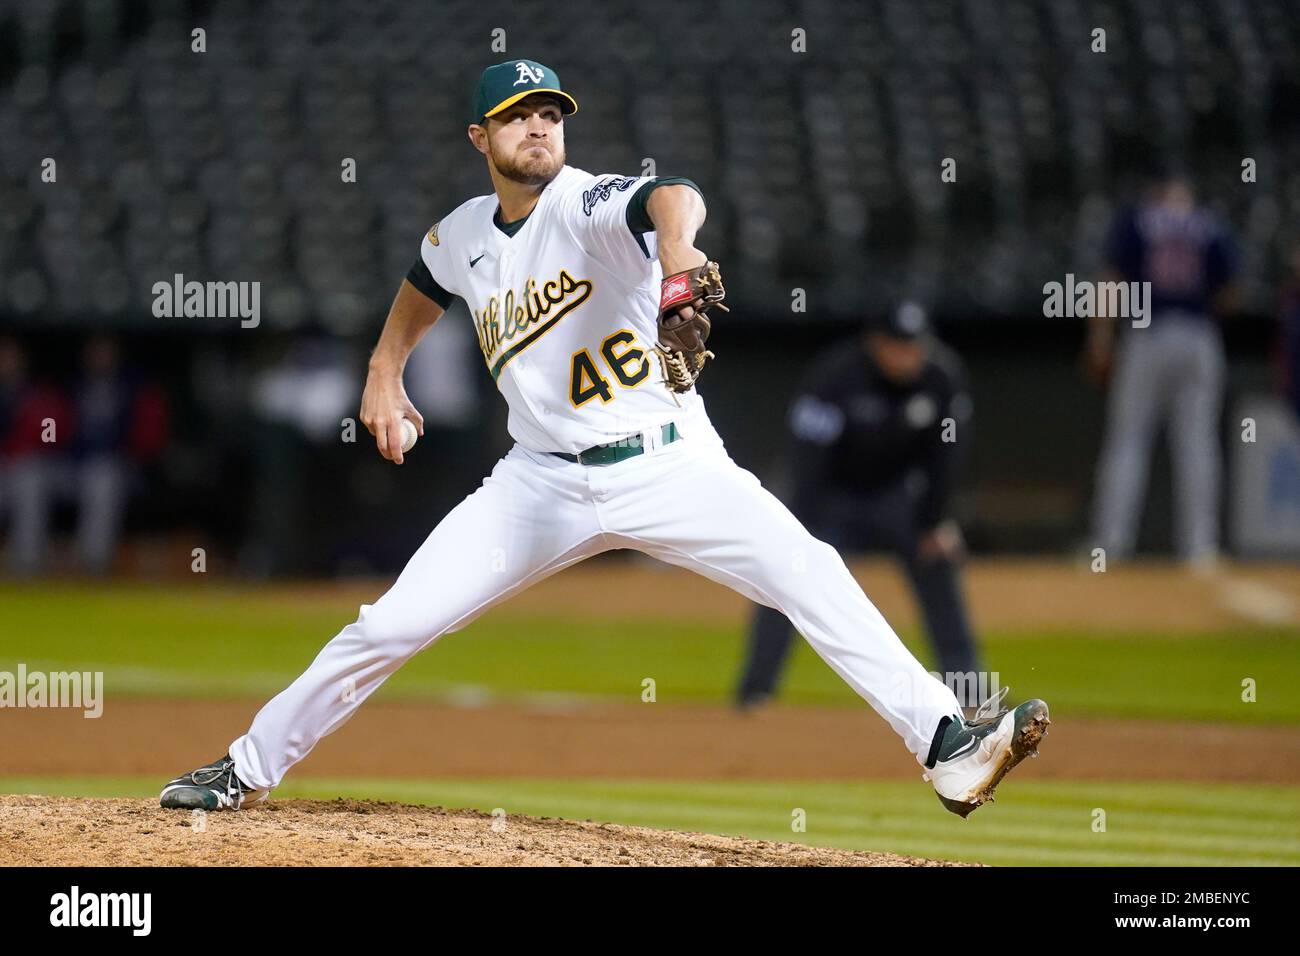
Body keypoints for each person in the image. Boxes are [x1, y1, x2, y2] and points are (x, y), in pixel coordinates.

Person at [159, 60, 1049, 820]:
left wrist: (679, 255)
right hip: (536, 485)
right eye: (517, 116)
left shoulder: (584, 203)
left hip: (668, 462)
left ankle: (946, 746)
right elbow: (422, 280)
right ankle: (243, 769)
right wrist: (383, 371)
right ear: (481, 138)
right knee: (388, 623)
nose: (539, 127)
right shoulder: (463, 232)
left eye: (550, 112)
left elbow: (673, 196)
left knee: (807, 569)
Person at [735, 302, 985, 711]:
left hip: (897, 497)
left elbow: (947, 457)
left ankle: (969, 693)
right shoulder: (837, 375)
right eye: (898, 345)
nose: (907, 355)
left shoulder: (941, 377)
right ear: (876, 343)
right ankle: (755, 692)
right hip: (830, 497)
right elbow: (806, 459)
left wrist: (934, 522)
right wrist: (800, 532)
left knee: (937, 561)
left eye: (914, 346)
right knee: (786, 574)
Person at [1083, 171, 1239, 568]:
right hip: (1198, 335)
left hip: (1147, 333)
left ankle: (1110, 546)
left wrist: (1100, 337)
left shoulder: (1137, 218)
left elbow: (1110, 282)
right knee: (1198, 444)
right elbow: (1232, 292)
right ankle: (1200, 548)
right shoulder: (1210, 222)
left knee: (1128, 440)